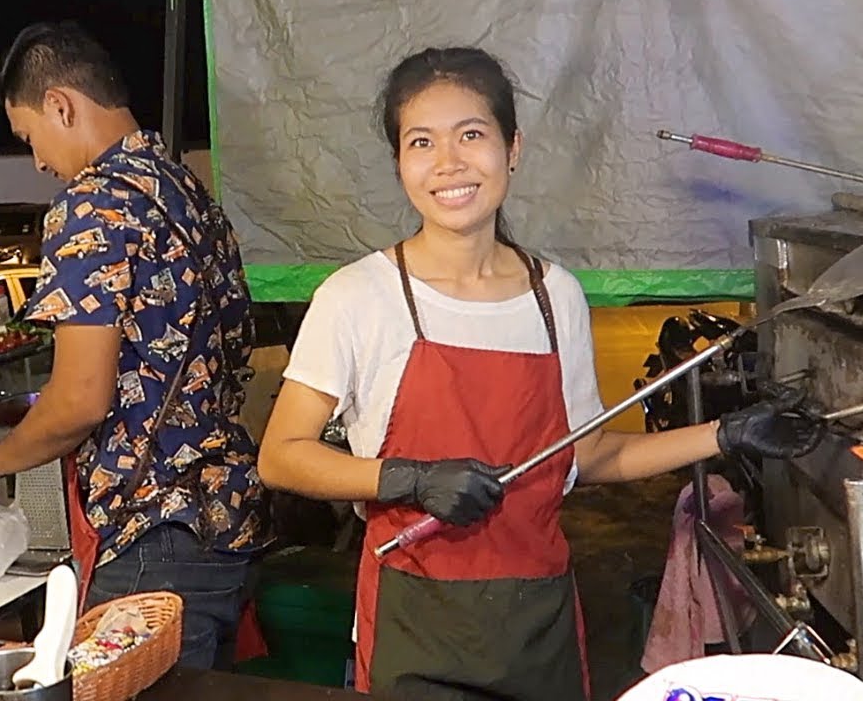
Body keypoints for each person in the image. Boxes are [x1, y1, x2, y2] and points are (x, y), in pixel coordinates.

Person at [256, 46, 823, 700]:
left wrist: (728, 434)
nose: (449, 163)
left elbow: (590, 454)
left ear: (512, 147)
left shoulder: (555, 295)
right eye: (422, 142)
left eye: (472, 134)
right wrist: (406, 477)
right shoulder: (359, 296)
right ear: (399, 162)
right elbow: (282, 456)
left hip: (538, 621)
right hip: (415, 620)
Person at [0, 22, 273, 671]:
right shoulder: (190, 193)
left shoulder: (93, 203)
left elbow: (80, 400)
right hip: (225, 517)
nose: (40, 162)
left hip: (154, 532)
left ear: (61, 105)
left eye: (30, 138)